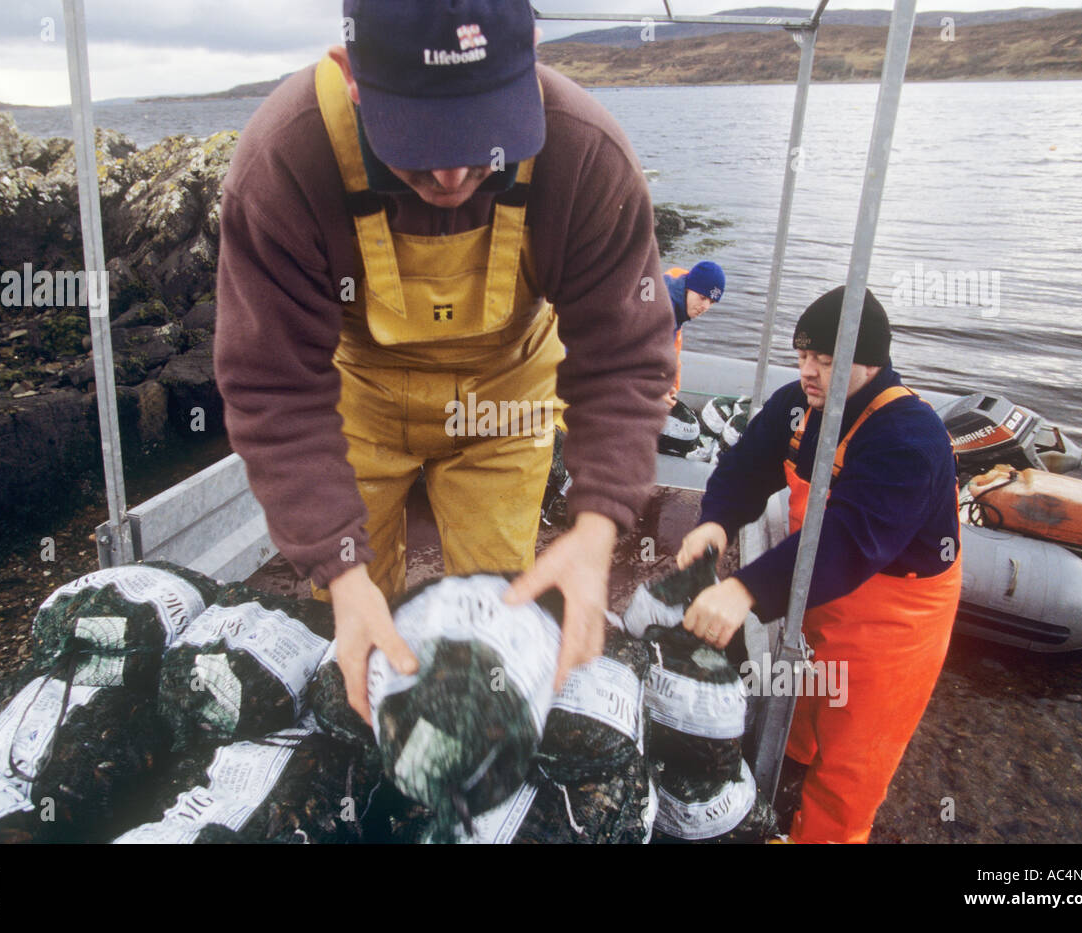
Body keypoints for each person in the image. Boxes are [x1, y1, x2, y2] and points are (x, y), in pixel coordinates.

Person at [214, 1, 674, 723]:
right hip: (358, 408)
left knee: (497, 610)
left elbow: (623, 358)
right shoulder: (286, 158)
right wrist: (341, 572)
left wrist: (596, 529)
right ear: (351, 73)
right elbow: (274, 386)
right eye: (421, 137)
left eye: (485, 132)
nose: (454, 172)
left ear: (531, 54)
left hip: (505, 405)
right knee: (360, 615)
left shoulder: (586, 153)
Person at [675, 285, 962, 843]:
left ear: (869, 362)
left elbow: (848, 541)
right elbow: (745, 467)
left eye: (826, 360)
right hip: (818, 589)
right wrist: (717, 521)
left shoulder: (909, 439)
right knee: (804, 705)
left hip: (894, 617)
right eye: (803, 355)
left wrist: (744, 590)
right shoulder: (798, 405)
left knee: (854, 757)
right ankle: (788, 789)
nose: (808, 371)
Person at [662, 260, 724, 406]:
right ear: (688, 288)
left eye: (712, 302)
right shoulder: (662, 309)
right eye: (702, 297)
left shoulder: (677, 310)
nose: (705, 307)